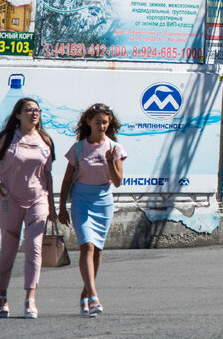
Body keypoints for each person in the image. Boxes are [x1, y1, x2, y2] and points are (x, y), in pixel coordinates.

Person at [0, 97, 56, 319]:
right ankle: (2, 295)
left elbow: (48, 174)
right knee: (9, 249)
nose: (34, 113)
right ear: (18, 115)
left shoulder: (45, 140)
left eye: (37, 110)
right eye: (29, 110)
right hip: (11, 200)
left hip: (38, 200)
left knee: (34, 248)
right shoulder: (9, 138)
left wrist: (53, 206)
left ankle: (30, 299)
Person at [58, 102, 125, 318]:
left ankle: (85, 295)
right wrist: (61, 208)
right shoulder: (78, 148)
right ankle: (94, 295)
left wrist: (110, 162)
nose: (102, 126)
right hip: (81, 201)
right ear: (88, 122)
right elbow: (67, 180)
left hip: (103, 202)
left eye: (105, 122)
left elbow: (117, 182)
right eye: (98, 122)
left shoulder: (115, 148)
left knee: (97, 250)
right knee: (86, 245)